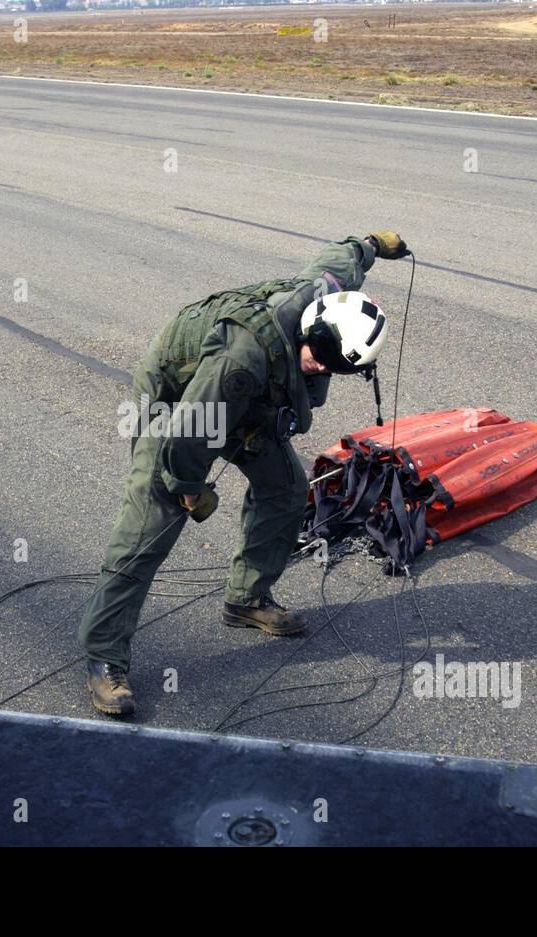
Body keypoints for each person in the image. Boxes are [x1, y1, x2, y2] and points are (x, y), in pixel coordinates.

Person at [78, 231, 411, 716]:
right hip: (180, 399)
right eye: (316, 353)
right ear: (310, 329)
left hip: (246, 402)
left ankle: (246, 597)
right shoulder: (244, 358)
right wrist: (189, 491)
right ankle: (104, 656)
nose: (318, 364)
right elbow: (190, 437)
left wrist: (370, 245)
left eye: (330, 366)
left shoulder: (328, 297)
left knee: (287, 489)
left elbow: (342, 259)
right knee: (150, 526)